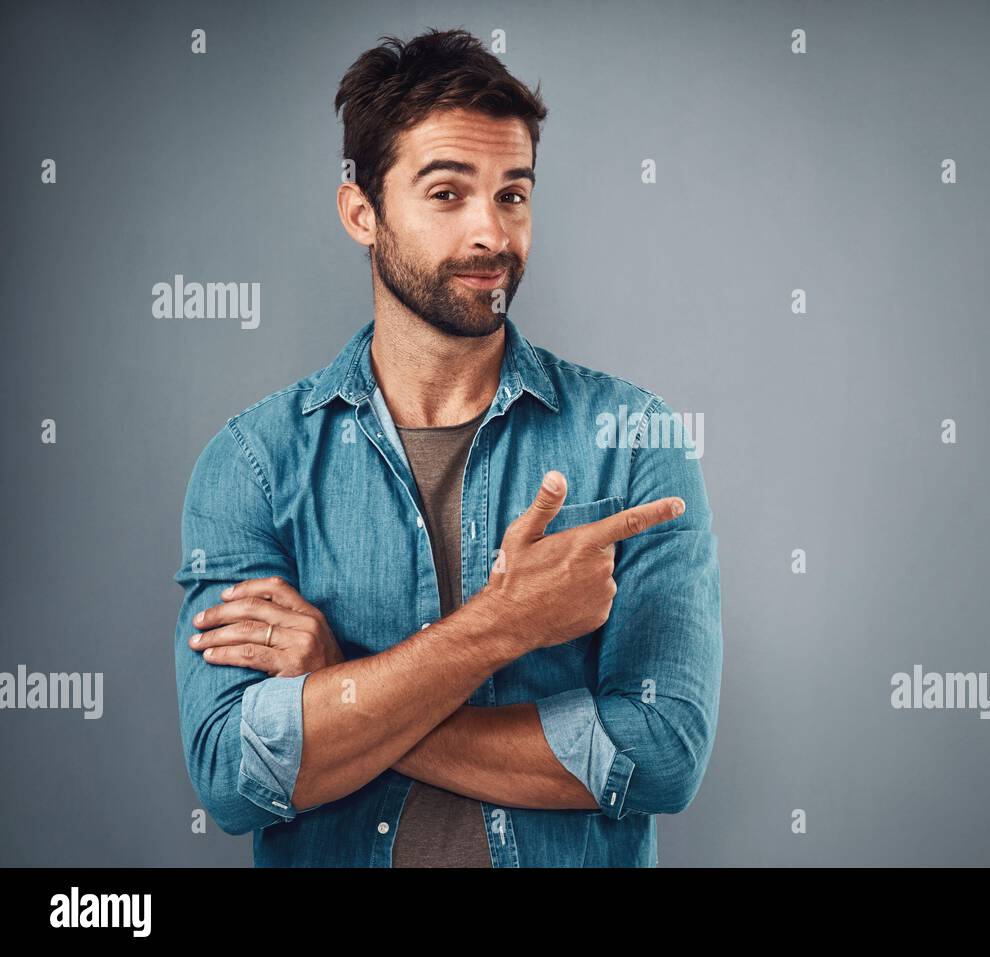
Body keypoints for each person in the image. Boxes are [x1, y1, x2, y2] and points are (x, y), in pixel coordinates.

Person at [172, 28, 722, 868]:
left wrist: (341, 684)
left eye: (512, 194)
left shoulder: (635, 443)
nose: (490, 235)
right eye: (446, 193)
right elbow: (234, 774)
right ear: (362, 212)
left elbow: (661, 753)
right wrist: (504, 628)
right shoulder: (252, 464)